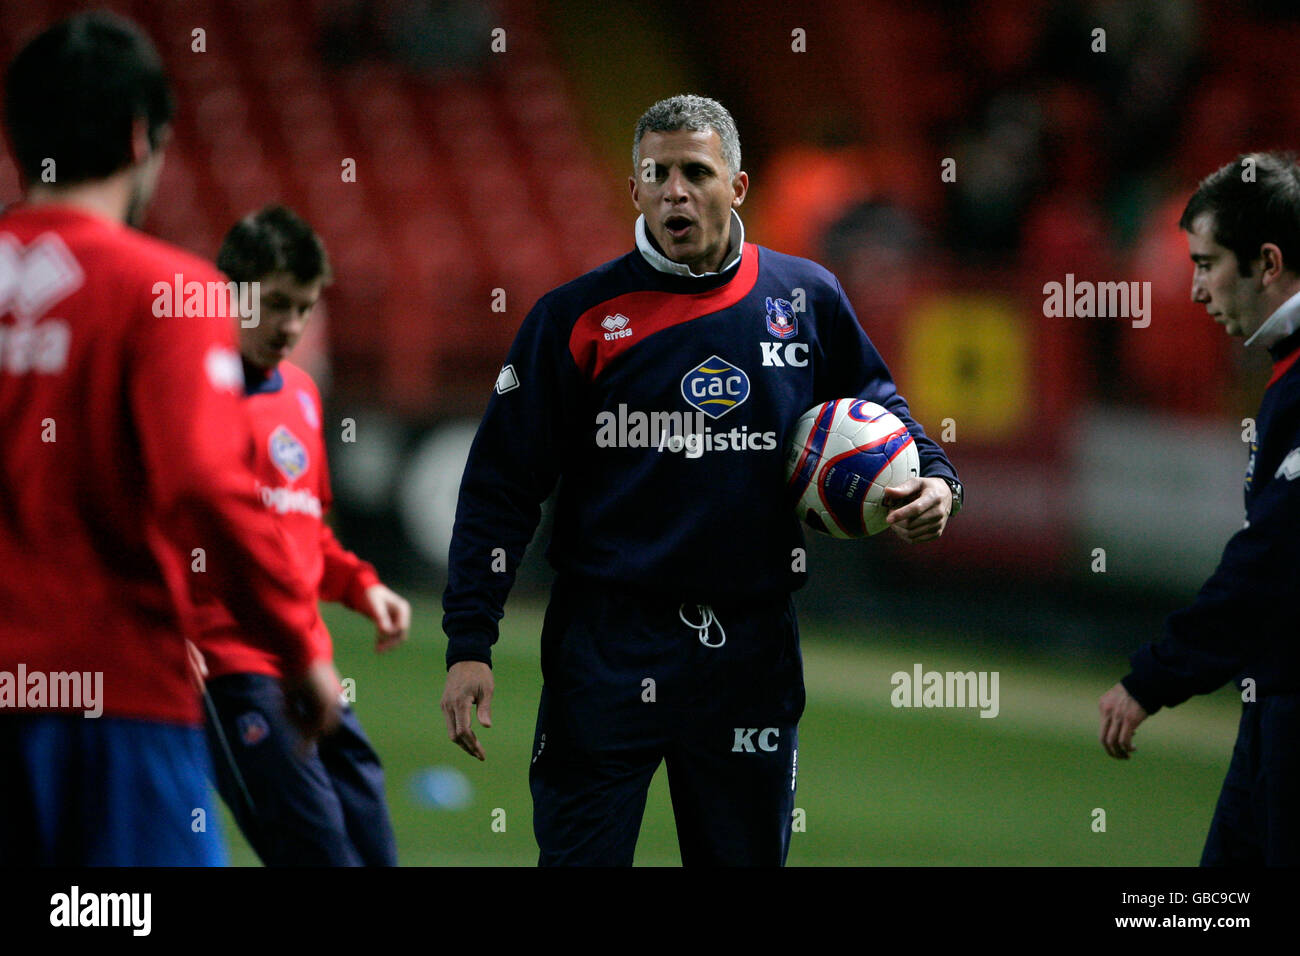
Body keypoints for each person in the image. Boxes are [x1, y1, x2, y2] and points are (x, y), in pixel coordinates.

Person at [440, 94, 962, 866]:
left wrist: (940, 480)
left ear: (738, 186)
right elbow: (500, 488)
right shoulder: (574, 319)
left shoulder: (805, 298)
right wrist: (468, 641)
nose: (675, 191)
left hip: (748, 653)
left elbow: (882, 405)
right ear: (635, 191)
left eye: (695, 172)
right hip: (604, 648)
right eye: (658, 174)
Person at [0, 12, 340, 866]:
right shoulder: (172, 292)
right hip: (117, 701)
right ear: (141, 135)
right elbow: (203, 481)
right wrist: (297, 646)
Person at [1099, 151, 1300, 866]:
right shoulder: (1284, 369)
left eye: (1207, 263)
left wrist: (1155, 676)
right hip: (1271, 699)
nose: (1194, 289)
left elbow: (1272, 558)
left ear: (1268, 262)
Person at [194, 205, 409, 866]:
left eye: (305, 308)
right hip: (235, 678)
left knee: (375, 854)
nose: (290, 326)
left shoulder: (303, 395)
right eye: (276, 304)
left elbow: (305, 532)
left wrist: (361, 585)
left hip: (310, 670)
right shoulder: (188, 395)